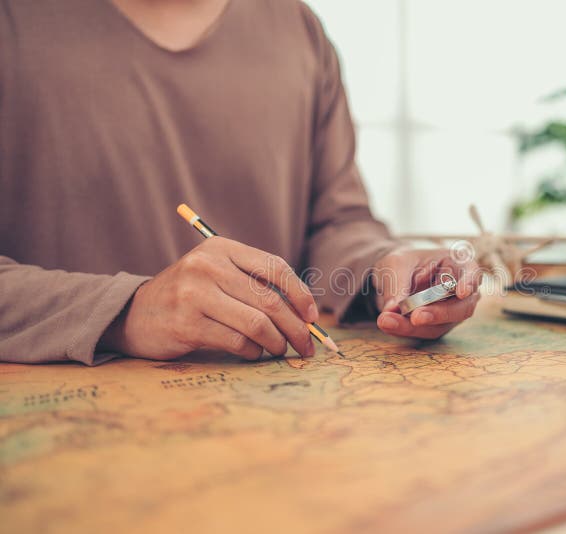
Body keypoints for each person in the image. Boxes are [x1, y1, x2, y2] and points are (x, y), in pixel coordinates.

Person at [0, 0, 482, 365]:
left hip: (269, 426)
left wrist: (384, 269)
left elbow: (336, 221)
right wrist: (127, 311)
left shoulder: (298, 29)